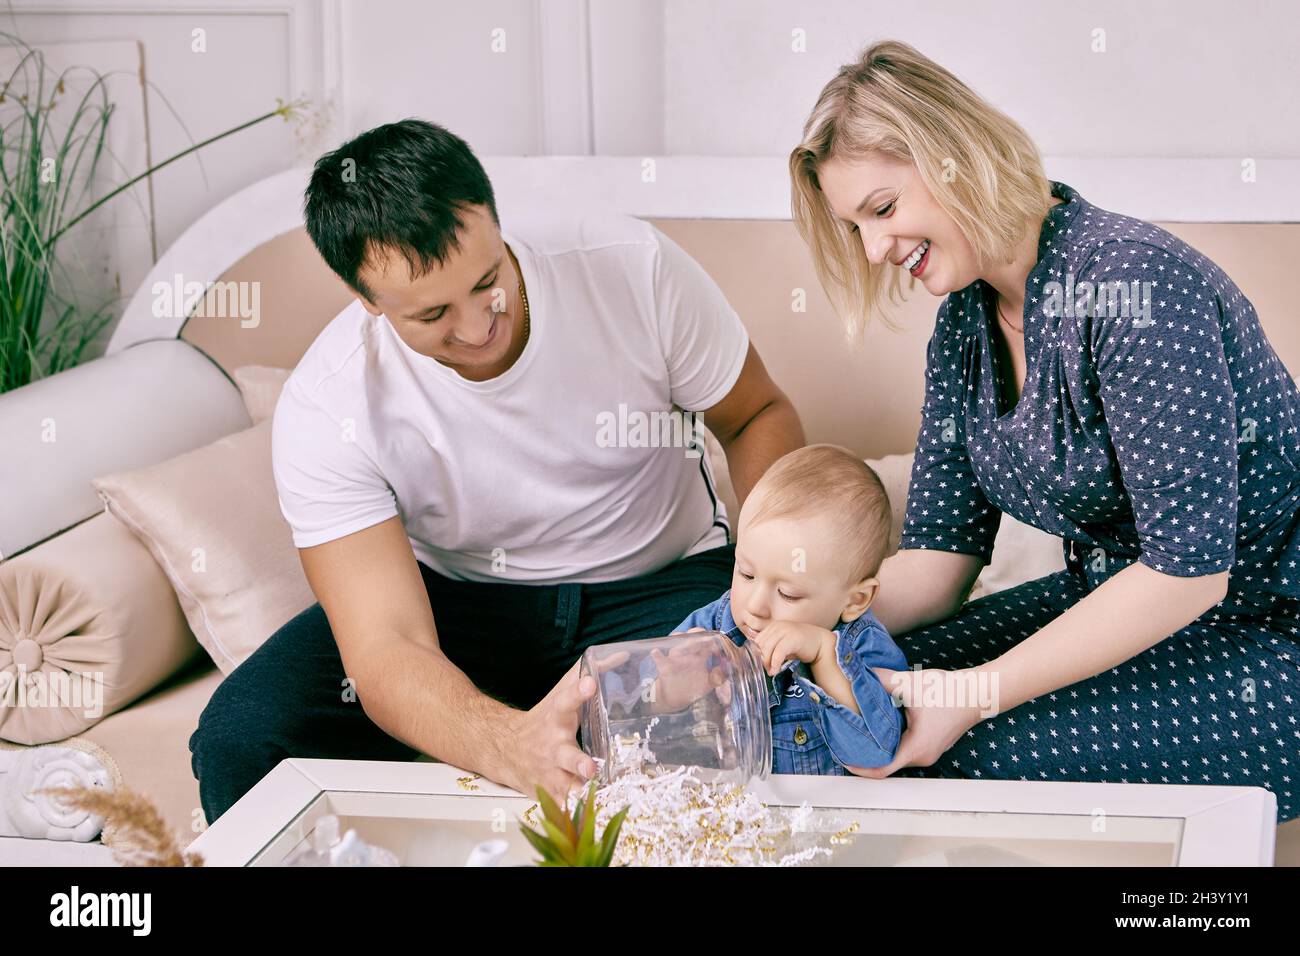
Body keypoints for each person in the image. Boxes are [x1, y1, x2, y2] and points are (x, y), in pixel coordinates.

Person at [188, 119, 804, 822]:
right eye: (432, 314)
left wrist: (778, 585)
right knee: (243, 737)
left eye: (488, 282)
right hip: (462, 607)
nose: (480, 325)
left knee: (791, 714)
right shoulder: (328, 403)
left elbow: (757, 415)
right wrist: (505, 742)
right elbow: (387, 648)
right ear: (368, 300)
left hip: (662, 586)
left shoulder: (630, 266)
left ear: (497, 222)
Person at [789, 40, 1300, 821]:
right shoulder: (964, 325)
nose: (876, 250)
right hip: (1105, 606)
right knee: (839, 709)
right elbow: (940, 558)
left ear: (955, 155)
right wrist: (788, 623)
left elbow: (1188, 573)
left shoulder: (1133, 283)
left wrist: (971, 696)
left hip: (1263, 633)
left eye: (883, 210)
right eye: (855, 228)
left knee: (965, 749)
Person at [667, 444, 909, 775]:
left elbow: (875, 753)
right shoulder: (713, 626)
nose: (754, 606)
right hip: (727, 816)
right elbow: (651, 723)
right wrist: (678, 683)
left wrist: (824, 654)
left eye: (787, 593)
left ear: (854, 601)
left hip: (826, 820)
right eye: (746, 574)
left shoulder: (863, 644)